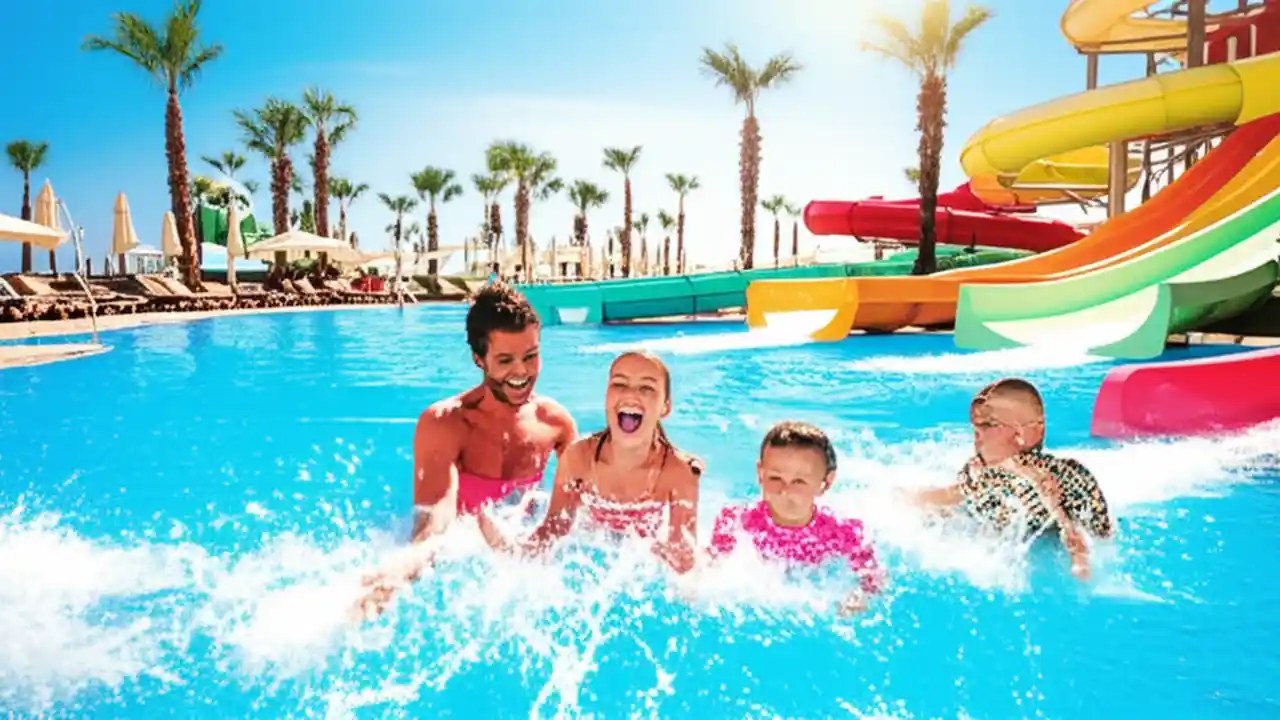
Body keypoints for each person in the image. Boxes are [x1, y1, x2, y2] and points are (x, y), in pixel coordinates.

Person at [355, 281, 577, 616]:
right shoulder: (446, 423)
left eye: (531, 356)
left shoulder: (555, 423)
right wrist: (403, 570)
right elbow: (435, 518)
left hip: (523, 545)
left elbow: (585, 497)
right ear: (479, 359)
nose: (521, 371)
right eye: (505, 360)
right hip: (464, 553)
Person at [478, 350, 703, 573]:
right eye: (619, 384)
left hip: (641, 543)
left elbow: (682, 558)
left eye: (647, 387)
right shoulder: (579, 458)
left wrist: (652, 553)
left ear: (665, 407)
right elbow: (555, 528)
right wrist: (517, 552)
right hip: (593, 536)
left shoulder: (679, 471)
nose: (631, 395)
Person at [912, 378, 1114, 581]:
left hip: (1057, 510)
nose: (977, 434)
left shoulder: (1025, 469)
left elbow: (1047, 491)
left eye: (987, 425)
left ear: (1019, 435)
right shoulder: (983, 470)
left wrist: (1078, 556)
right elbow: (958, 493)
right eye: (975, 427)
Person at [708, 421, 883, 616]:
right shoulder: (736, 523)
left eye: (799, 482)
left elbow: (873, 580)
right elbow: (711, 571)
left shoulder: (846, 532)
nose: (785, 491)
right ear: (760, 473)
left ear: (826, 482)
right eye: (775, 478)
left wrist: (856, 600)